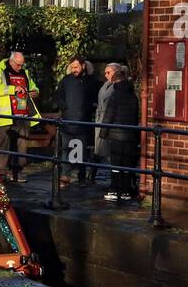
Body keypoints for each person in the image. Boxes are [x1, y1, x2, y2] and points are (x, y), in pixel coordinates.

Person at [0, 49, 40, 182]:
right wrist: (12, 89)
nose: (20, 67)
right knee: (4, 145)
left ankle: (18, 172)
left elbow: (34, 87)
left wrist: (35, 91)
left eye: (22, 64)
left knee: (22, 147)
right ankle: (3, 173)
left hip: (23, 114)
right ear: (11, 61)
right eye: (17, 64)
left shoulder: (25, 73)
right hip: (6, 116)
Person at [97, 64, 140, 203]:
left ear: (116, 81)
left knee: (115, 164)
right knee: (126, 164)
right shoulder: (133, 95)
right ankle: (126, 191)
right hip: (129, 135)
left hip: (115, 134)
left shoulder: (115, 96)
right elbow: (135, 116)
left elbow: (109, 115)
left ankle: (114, 190)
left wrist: (103, 134)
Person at [57, 55, 101, 183]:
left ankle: (80, 175)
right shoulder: (65, 80)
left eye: (76, 67)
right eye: (72, 67)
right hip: (67, 119)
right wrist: (64, 107)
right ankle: (65, 174)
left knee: (81, 150)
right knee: (66, 148)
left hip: (83, 120)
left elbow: (97, 97)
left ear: (83, 66)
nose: (74, 70)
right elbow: (59, 96)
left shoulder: (91, 81)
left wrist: (90, 107)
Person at [92, 62, 118, 186]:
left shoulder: (118, 86)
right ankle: (91, 175)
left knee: (109, 152)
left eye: (109, 72)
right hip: (100, 119)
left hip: (109, 121)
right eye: (105, 72)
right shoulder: (105, 85)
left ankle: (115, 179)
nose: (106, 75)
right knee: (98, 150)